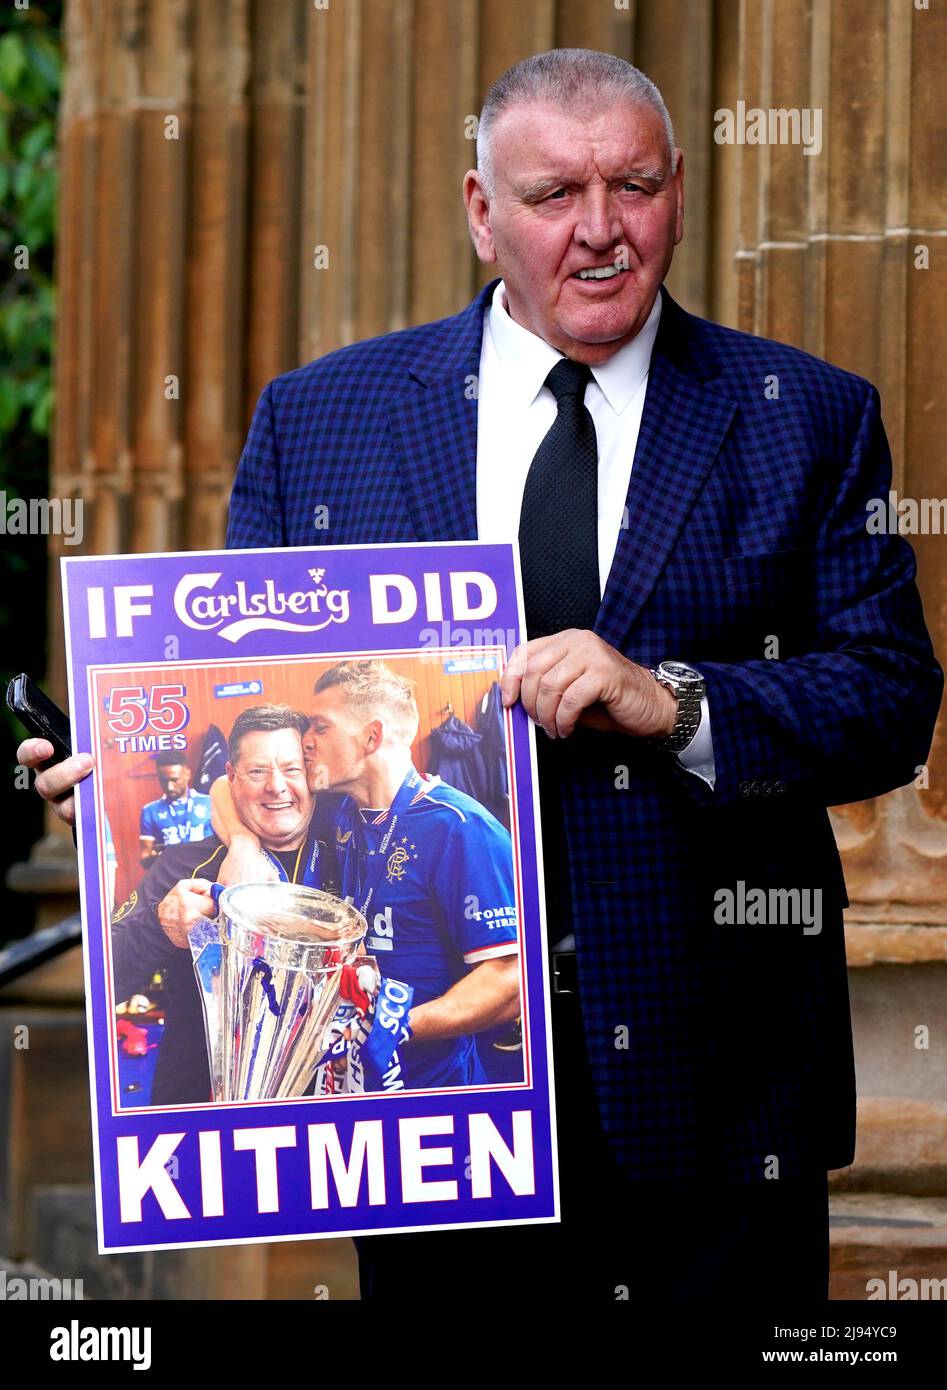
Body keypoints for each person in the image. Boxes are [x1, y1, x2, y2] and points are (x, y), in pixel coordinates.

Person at [20, 49, 943, 1301]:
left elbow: (888, 697)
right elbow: (240, 698)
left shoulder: (801, 413)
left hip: (715, 1090)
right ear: (478, 210)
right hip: (427, 1119)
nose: (602, 229)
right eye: (556, 193)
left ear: (678, 190)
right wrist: (114, 802)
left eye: (633, 185)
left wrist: (675, 701)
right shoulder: (322, 417)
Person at [209, 660, 521, 1092]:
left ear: (372, 736)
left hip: (431, 1088)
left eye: (320, 727)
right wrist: (243, 842)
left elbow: (509, 981)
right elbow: (225, 786)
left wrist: (397, 1026)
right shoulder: (341, 810)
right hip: (345, 1078)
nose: (306, 742)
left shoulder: (460, 828)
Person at [110, 705, 331, 1106]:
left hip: (327, 1101)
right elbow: (105, 981)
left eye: (292, 769)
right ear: (231, 776)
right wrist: (161, 928)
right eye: (258, 771)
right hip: (199, 1102)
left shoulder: (351, 846)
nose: (276, 786)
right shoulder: (182, 864)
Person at [138, 750, 213, 868]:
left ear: (187, 774)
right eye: (164, 781)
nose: (169, 787)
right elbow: (145, 859)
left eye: (174, 780)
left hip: (206, 873)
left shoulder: (210, 803)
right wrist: (154, 857)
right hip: (170, 876)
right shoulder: (150, 811)